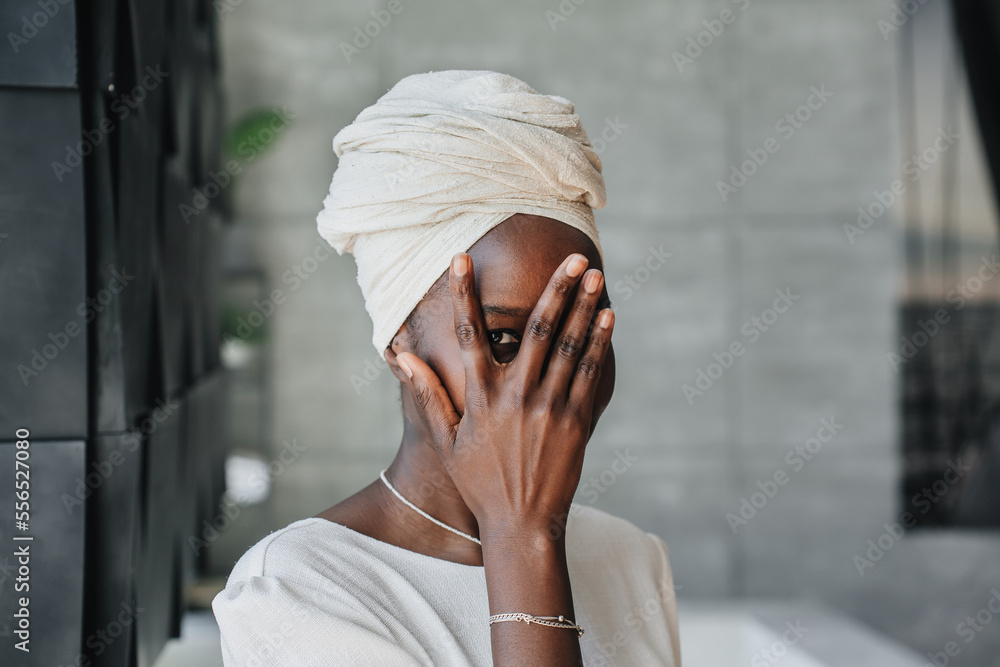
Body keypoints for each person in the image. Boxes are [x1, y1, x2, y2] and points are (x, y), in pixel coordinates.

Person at [212, 70, 681, 666]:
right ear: (398, 348)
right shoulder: (297, 596)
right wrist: (521, 535)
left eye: (584, 327)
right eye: (507, 337)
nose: (555, 378)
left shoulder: (631, 559)